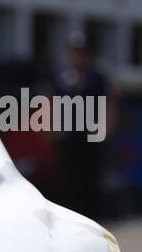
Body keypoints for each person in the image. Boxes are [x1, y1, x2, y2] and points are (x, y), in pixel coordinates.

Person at [48, 32, 116, 222]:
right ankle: (70, 217)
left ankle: (92, 217)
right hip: (67, 136)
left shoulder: (97, 76)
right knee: (67, 179)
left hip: (90, 136)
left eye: (82, 52)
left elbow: (109, 102)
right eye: (75, 52)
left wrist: (106, 127)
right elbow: (51, 100)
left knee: (90, 180)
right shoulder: (61, 75)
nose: (78, 56)